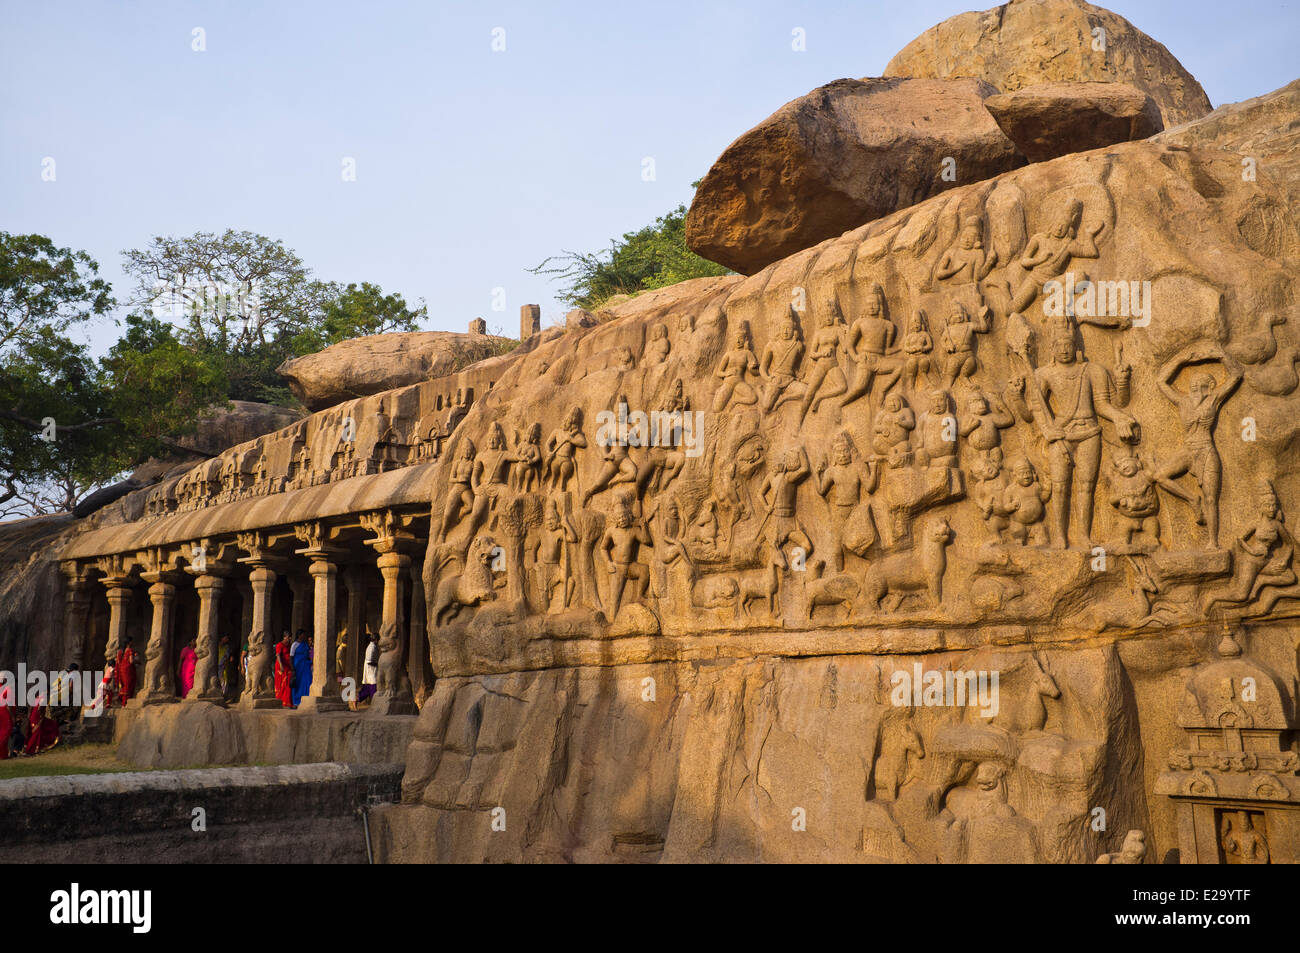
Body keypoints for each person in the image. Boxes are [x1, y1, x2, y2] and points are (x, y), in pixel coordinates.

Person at [291, 629, 312, 707]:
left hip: (306, 665)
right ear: (299, 635)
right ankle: (297, 701)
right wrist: (292, 668)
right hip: (298, 665)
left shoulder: (305, 644)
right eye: (302, 634)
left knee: (307, 681)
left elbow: (308, 654)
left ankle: (306, 699)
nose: (303, 636)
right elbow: (291, 656)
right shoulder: (295, 644)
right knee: (298, 683)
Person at [115, 636, 138, 706]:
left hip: (122, 670)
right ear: (130, 642)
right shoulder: (130, 650)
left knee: (124, 685)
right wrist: (137, 661)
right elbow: (131, 661)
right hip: (128, 670)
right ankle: (125, 703)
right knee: (129, 685)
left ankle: (122, 701)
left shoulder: (121, 651)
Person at [274, 631, 294, 708]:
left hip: (288, 665)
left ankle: (288, 702)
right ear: (284, 637)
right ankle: (281, 701)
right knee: (282, 683)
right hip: (281, 666)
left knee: (289, 682)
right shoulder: (279, 645)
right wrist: (281, 665)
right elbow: (278, 655)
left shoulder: (288, 645)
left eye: (290, 637)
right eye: (288, 637)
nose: (289, 639)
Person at [359, 631, 379, 705]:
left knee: (367, 688)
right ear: (376, 640)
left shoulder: (373, 646)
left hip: (371, 671)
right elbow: (369, 661)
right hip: (371, 671)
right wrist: (378, 664)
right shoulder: (371, 648)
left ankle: (356, 699)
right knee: (372, 687)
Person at [0, 683, 12, 760]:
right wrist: (12, 716)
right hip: (4, 713)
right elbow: (9, 705)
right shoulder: (7, 688)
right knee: (5, 732)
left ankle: (3, 754)